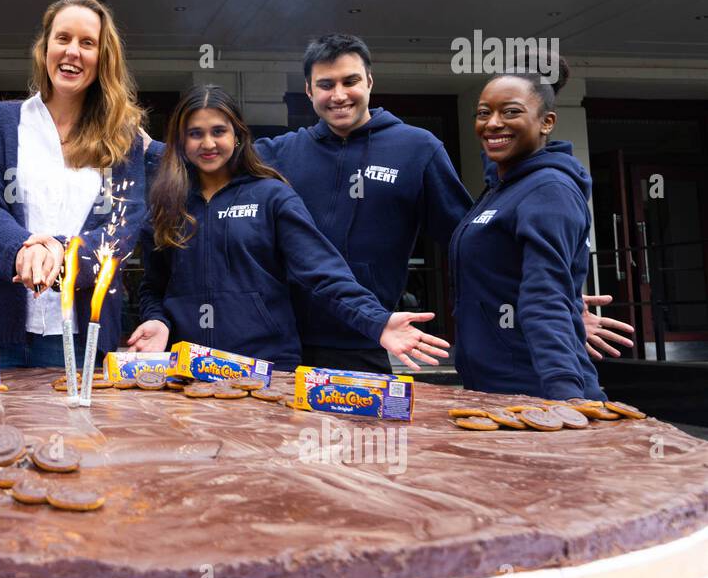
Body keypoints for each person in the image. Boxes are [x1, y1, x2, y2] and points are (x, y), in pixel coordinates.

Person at [240, 33, 631, 370]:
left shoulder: (417, 148)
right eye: (326, 85)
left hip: (365, 340)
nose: (339, 95)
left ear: (370, 82)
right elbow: (196, 157)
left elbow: (471, 242)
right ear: (309, 91)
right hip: (279, 342)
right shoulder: (280, 154)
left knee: (358, 455)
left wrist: (556, 293)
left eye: (350, 81)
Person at [127, 85, 449, 371]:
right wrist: (157, 320)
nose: (208, 143)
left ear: (237, 135)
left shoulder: (271, 195)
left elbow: (322, 272)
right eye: (195, 133)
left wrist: (377, 322)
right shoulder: (166, 206)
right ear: (181, 141)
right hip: (186, 367)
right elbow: (154, 288)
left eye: (218, 131)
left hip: (266, 368)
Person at [0, 0, 147, 367]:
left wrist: (62, 252)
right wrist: (25, 250)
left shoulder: (124, 139)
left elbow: (122, 228)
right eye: (63, 38)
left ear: (103, 57)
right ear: (45, 49)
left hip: (76, 334)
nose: (73, 51)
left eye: (87, 43)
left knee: (73, 428)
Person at [449, 69, 603, 400]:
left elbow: (544, 298)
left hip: (537, 392)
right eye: (483, 112)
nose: (492, 123)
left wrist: (567, 397)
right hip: (494, 387)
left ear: (547, 122)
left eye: (511, 112)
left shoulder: (549, 190)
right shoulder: (502, 187)